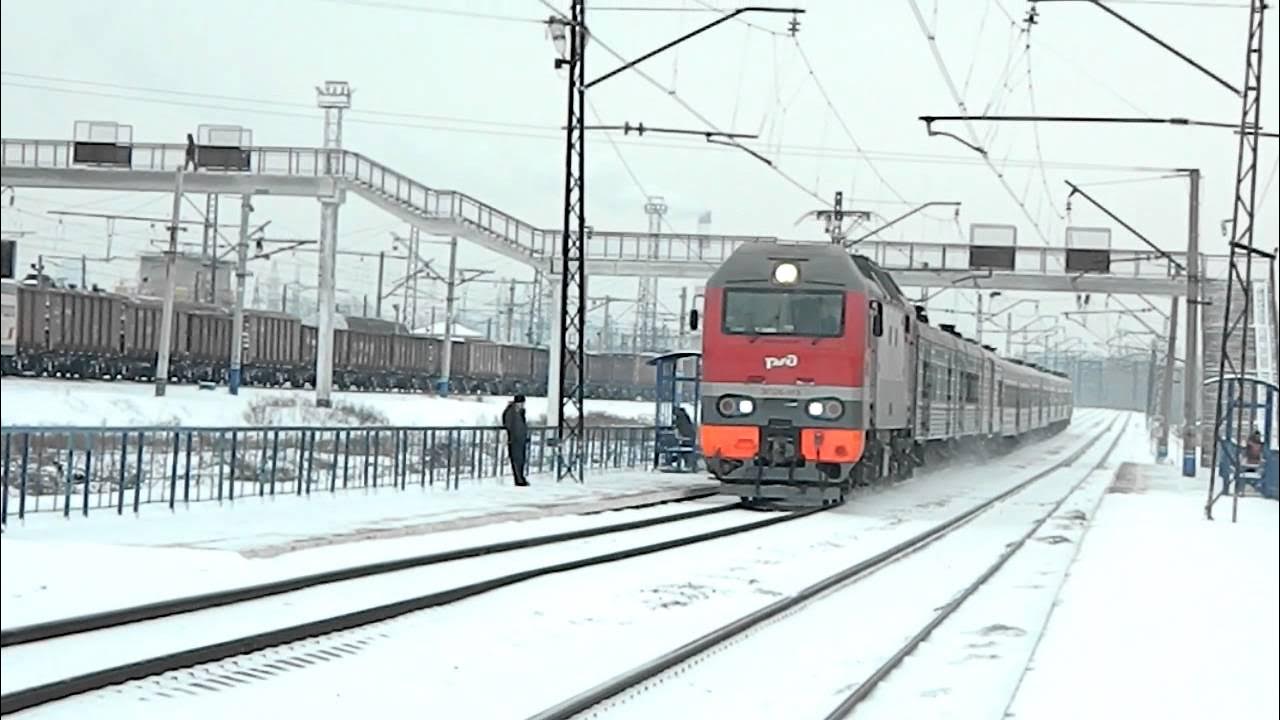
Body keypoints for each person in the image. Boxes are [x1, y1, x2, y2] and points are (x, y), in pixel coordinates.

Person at [502, 395, 529, 486]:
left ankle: (520, 477)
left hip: (520, 439)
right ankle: (519, 479)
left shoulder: (519, 412)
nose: (522, 405)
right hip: (514, 439)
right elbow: (509, 424)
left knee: (521, 459)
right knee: (517, 459)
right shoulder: (511, 412)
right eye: (521, 403)